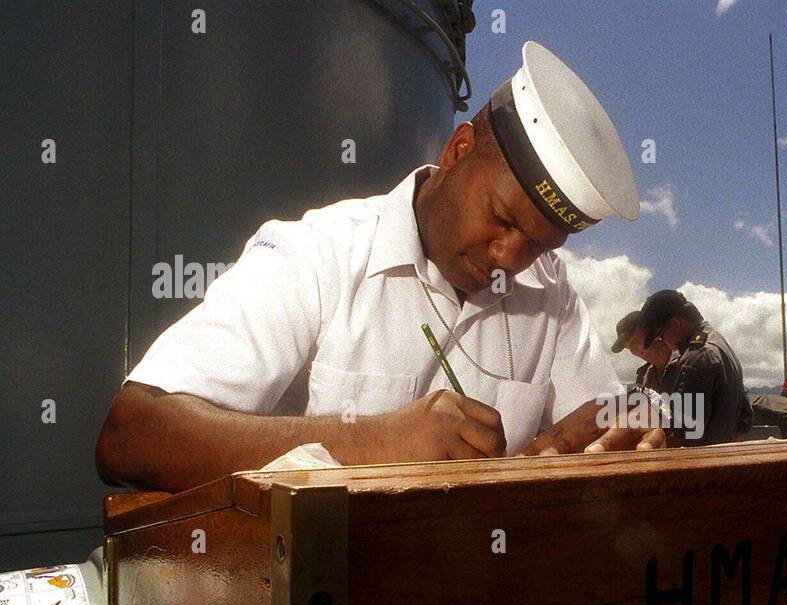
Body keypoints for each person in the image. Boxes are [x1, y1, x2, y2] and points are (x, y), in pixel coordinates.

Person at [95, 41, 664, 493]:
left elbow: (596, 415)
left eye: (539, 247)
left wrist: (634, 411)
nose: (509, 260)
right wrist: (373, 442)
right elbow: (132, 437)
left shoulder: (551, 293)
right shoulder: (316, 253)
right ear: (458, 150)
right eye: (502, 219)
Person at [638, 289, 752, 446]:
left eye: (660, 335)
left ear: (676, 324)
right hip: (723, 455)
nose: (662, 342)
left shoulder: (697, 356)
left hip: (702, 462)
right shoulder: (719, 343)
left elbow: (686, 432)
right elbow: (745, 415)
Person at [610, 310, 674, 391]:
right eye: (629, 348)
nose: (635, 350)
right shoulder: (643, 376)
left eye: (636, 341)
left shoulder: (689, 362)